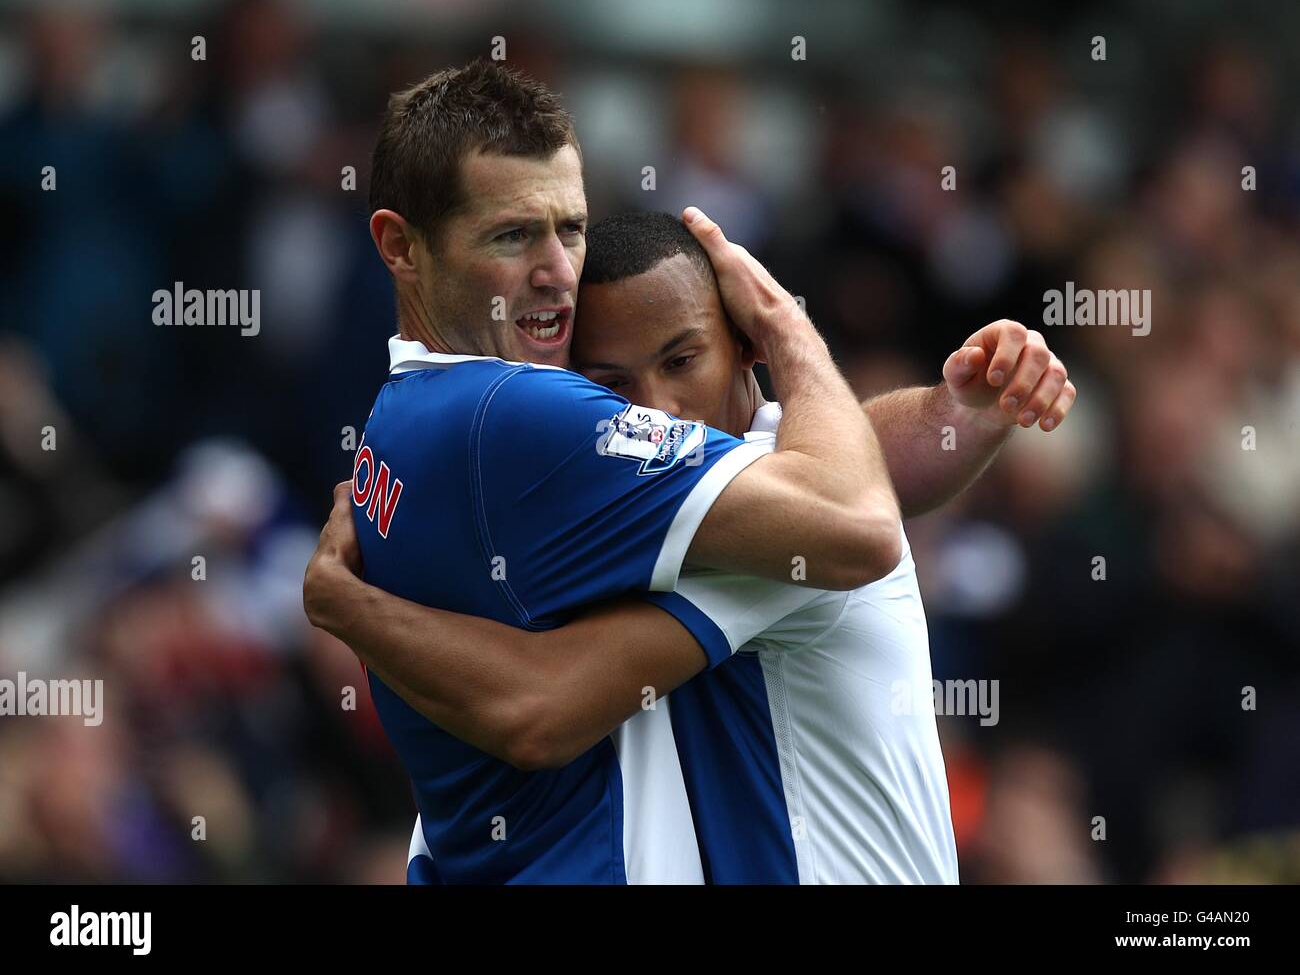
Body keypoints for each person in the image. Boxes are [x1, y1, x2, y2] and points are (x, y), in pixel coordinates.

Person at [306, 60, 1074, 883]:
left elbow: (792, 462)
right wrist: (786, 324)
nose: (556, 269)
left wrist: (962, 411)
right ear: (399, 245)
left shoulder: (401, 421)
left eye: (569, 228)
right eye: (510, 234)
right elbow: (853, 521)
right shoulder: (519, 417)